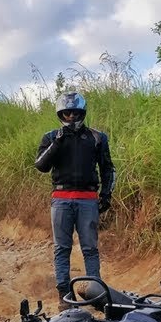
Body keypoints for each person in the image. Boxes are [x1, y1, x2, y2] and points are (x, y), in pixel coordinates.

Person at [34, 91, 116, 309]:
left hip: (88, 199)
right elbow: (41, 165)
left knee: (90, 248)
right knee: (62, 248)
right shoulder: (51, 137)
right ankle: (64, 296)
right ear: (61, 113)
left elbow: (108, 168)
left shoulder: (97, 137)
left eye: (75, 112)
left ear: (82, 112)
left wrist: (107, 194)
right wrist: (59, 142)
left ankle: (96, 295)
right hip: (60, 199)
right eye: (67, 113)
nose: (71, 116)